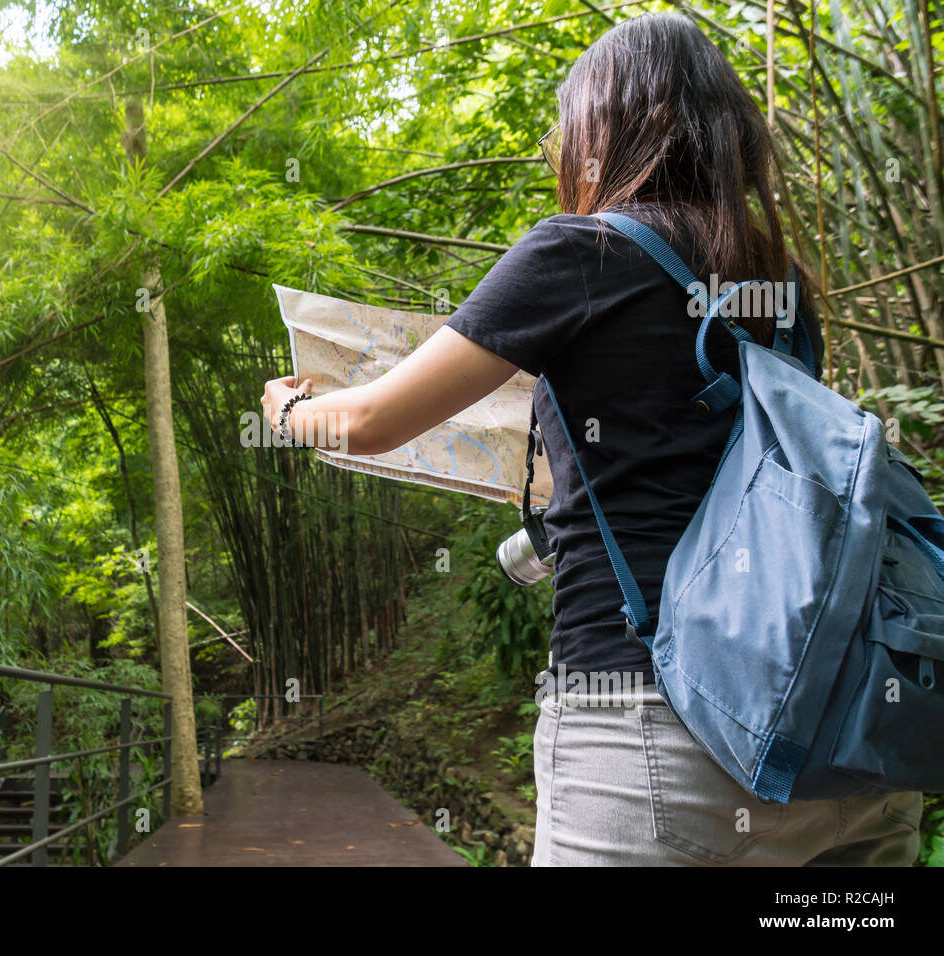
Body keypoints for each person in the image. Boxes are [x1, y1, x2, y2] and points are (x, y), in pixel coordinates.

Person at [260, 11, 923, 865]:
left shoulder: (582, 253)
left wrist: (282, 415)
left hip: (653, 727)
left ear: (602, 131)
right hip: (840, 735)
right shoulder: (783, 283)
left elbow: (366, 419)